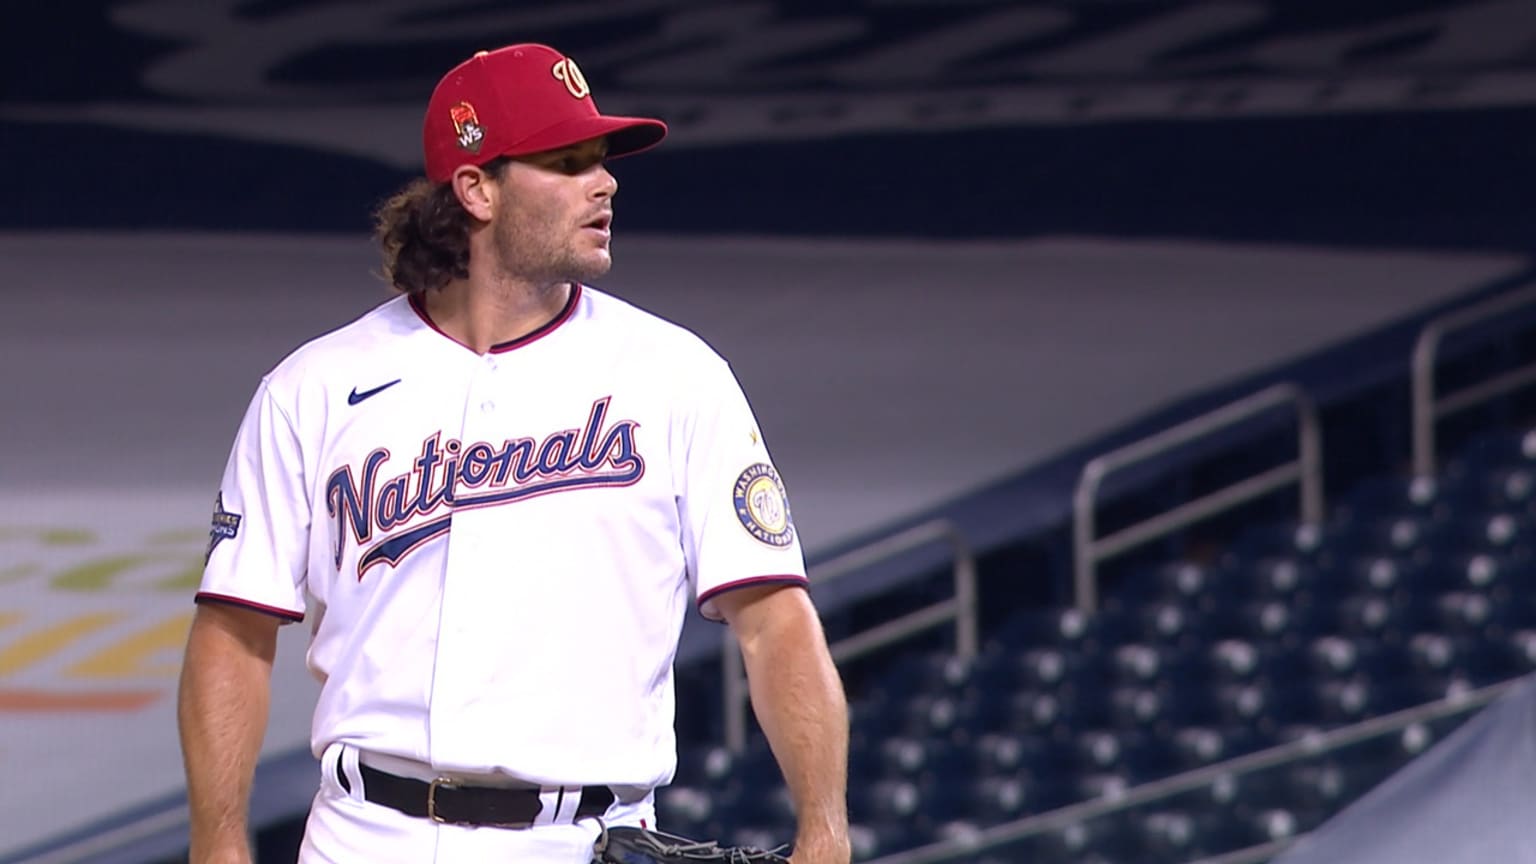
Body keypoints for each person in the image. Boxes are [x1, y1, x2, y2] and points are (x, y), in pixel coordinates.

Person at [177, 42, 851, 864]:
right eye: (567, 163)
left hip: (583, 839)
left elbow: (774, 620)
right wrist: (218, 845)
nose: (604, 184)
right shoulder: (312, 388)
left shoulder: (675, 376)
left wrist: (825, 832)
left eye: (600, 161)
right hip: (364, 834)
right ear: (476, 189)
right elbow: (232, 630)